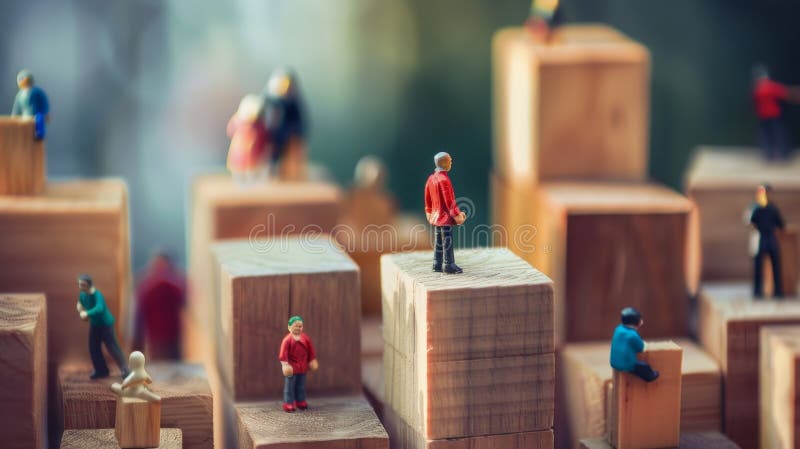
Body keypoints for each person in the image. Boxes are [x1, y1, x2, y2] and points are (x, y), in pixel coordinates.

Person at [133, 250, 186, 360]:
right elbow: (183, 302)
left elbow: (139, 316)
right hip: (163, 337)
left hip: (165, 337)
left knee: (162, 361)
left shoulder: (147, 285)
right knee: (168, 361)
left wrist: (137, 342)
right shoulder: (174, 284)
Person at [76, 274, 129, 380]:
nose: (80, 287)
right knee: (94, 348)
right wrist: (80, 309)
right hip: (95, 324)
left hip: (105, 324)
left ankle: (125, 369)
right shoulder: (83, 294)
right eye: (79, 284)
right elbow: (80, 303)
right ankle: (101, 370)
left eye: (83, 285)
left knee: (112, 347)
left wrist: (87, 313)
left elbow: (99, 308)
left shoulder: (97, 295)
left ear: (89, 285)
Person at [424, 152, 467, 274]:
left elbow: (427, 199)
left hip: (436, 217)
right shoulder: (444, 180)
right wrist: (458, 215)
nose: (451, 162)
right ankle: (448, 264)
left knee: (438, 240)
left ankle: (437, 263)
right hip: (445, 217)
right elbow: (450, 202)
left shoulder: (431, 179)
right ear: (443, 163)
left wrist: (429, 212)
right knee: (447, 240)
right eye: (449, 160)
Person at [263, 68, 307, 180]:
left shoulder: (294, 102)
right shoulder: (270, 99)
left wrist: (298, 134)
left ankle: (289, 174)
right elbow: (264, 116)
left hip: (289, 135)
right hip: (273, 135)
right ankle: (271, 171)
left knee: (290, 157)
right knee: (272, 155)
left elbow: (299, 121)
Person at [752, 64, 800, 160]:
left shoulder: (756, 89)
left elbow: (755, 103)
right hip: (774, 115)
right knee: (779, 135)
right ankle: (783, 154)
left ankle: (769, 154)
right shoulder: (770, 86)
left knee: (767, 136)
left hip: (763, 116)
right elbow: (785, 93)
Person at [750, 184, 786, 298]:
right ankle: (757, 291)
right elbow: (749, 221)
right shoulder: (755, 208)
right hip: (760, 237)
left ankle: (777, 290)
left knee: (776, 264)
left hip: (770, 237)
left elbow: (780, 223)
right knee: (758, 267)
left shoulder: (772, 208)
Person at [226, 94, 270, 183]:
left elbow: (263, 138)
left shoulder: (257, 125)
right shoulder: (240, 121)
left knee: (250, 172)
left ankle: (247, 181)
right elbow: (230, 131)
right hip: (242, 153)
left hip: (252, 155)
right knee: (242, 171)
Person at [279, 316, 318, 413]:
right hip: (291, 368)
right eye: (295, 326)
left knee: (301, 386)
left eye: (300, 326)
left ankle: (300, 401)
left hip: (302, 367)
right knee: (289, 386)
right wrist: (285, 364)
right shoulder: (287, 340)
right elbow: (283, 353)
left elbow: (310, 350)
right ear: (289, 327)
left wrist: (312, 360)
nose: (298, 328)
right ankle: (288, 402)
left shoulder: (305, 338)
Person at [610, 307, 659, 382]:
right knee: (645, 367)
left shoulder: (618, 329)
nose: (641, 322)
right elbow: (640, 348)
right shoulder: (632, 335)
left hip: (614, 362)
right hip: (625, 364)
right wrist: (643, 344)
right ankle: (651, 376)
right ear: (635, 321)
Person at [11, 70, 49, 140]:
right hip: (25, 116)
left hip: (36, 115)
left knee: (39, 121)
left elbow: (44, 102)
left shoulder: (37, 91)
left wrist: (45, 112)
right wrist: (14, 117)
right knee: (24, 132)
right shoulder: (20, 94)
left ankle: (39, 134)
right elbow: (17, 107)